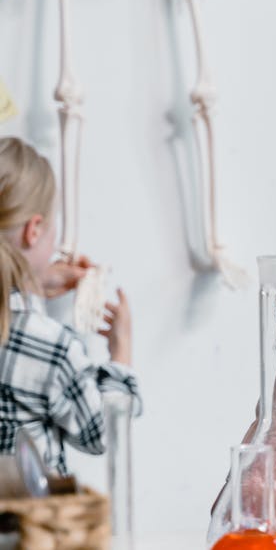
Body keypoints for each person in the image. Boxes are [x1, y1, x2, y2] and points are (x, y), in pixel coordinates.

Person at [0, 136, 139, 475]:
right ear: (34, 230)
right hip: (28, 526)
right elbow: (103, 432)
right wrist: (120, 354)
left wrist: (30, 286)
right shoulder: (51, 346)